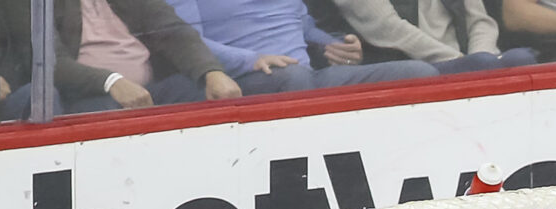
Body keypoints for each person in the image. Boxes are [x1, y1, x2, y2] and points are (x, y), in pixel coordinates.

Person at [167, 0, 438, 95]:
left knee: (419, 74)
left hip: (306, 77)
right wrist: (251, 59)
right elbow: (184, 40)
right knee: (294, 78)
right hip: (241, 81)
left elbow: (303, 24)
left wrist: (335, 44)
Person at [53, 0, 243, 113]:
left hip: (149, 88)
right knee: (107, 113)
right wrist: (111, 82)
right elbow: (48, 61)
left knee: (206, 93)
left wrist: (211, 72)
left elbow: (173, 30)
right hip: (85, 95)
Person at [309, 0, 537, 75]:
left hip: (471, 61)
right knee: (485, 65)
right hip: (406, 64)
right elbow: (389, 30)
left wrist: (482, 55)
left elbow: (480, 21)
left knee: (521, 59)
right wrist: (462, 60)